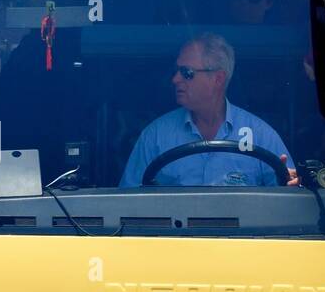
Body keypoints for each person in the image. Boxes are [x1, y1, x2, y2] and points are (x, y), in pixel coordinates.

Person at [120, 32, 299, 187]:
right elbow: (127, 204)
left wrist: (289, 185)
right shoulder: (154, 136)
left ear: (218, 79)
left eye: (186, 72)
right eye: (176, 70)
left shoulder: (262, 136)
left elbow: (288, 200)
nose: (175, 79)